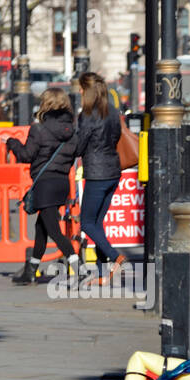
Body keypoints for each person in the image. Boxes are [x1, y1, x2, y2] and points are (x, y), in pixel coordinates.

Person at [5, 87, 79, 286]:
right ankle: (31, 271)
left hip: (44, 183)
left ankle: (79, 269)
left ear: (45, 105)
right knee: (41, 228)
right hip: (62, 182)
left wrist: (11, 142)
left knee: (54, 231)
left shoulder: (39, 129)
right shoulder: (72, 131)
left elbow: (26, 155)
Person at [72, 72, 126, 281]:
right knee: (98, 222)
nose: (79, 91)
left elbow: (79, 146)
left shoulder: (87, 115)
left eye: (81, 89)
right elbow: (117, 136)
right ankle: (104, 272)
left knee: (86, 223)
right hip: (113, 171)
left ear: (87, 91)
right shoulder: (113, 111)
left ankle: (115, 257)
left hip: (96, 173)